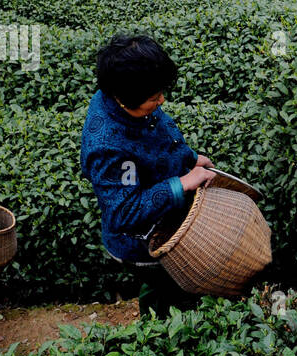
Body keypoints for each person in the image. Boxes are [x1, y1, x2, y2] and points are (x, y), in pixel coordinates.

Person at [79, 33, 217, 316]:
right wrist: (181, 183)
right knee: (167, 290)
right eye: (154, 98)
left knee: (167, 289)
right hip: (144, 242)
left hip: (167, 218)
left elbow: (158, 137)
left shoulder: (122, 95)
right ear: (123, 99)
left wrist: (188, 158)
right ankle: (156, 330)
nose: (162, 100)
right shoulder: (108, 146)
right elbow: (124, 212)